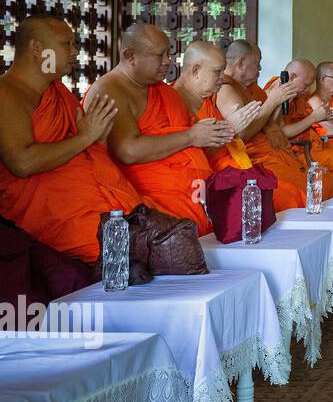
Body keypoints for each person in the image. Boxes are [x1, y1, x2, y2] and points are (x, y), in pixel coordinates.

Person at [0, 16, 143, 262]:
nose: (75, 51)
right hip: (56, 215)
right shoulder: (7, 93)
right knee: (130, 256)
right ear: (36, 48)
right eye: (66, 44)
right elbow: (22, 163)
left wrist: (98, 138)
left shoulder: (58, 91)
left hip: (103, 202)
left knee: (158, 239)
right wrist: (87, 136)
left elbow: (81, 148)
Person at [84, 23, 245, 235]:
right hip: (154, 204)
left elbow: (197, 144)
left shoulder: (165, 92)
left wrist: (220, 133)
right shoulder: (109, 90)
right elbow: (127, 151)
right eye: (160, 55)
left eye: (168, 54)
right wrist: (191, 136)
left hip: (196, 198)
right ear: (130, 56)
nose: (168, 61)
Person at [203, 39, 309, 211]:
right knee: (301, 192)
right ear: (241, 63)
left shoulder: (250, 89)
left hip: (273, 153)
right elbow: (242, 134)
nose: (260, 68)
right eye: (258, 63)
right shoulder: (226, 89)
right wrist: (272, 102)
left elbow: (269, 122)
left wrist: (278, 102)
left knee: (317, 183)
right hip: (256, 159)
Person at [276, 58, 333, 197]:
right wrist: (315, 117)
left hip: (314, 143)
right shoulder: (280, 95)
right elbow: (283, 132)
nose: (307, 91)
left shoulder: (298, 98)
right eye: (305, 85)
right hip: (299, 150)